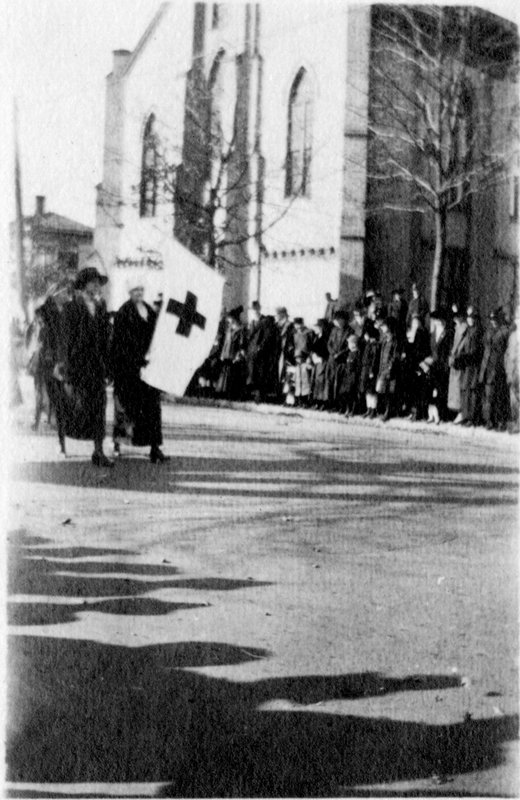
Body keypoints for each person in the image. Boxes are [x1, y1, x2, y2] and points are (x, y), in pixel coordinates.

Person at [55, 267, 113, 467]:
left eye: (98, 282)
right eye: (92, 282)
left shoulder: (101, 306)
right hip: (78, 366)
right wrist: (66, 367)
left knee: (99, 406)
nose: (96, 285)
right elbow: (65, 340)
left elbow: (106, 339)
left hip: (97, 367)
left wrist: (108, 366)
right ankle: (63, 444)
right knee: (74, 406)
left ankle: (98, 451)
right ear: (83, 285)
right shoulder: (71, 308)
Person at [111, 277, 169, 462]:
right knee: (125, 409)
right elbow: (118, 342)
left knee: (152, 408)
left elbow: (157, 335)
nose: (139, 293)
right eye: (135, 290)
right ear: (130, 292)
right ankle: (118, 443)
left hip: (148, 368)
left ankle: (155, 447)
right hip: (128, 369)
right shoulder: (124, 312)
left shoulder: (149, 311)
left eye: (141, 290)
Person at [479, 308, 510, 431]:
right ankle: (489, 420)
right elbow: (485, 351)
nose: (493, 322)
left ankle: (500, 421)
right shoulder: (489, 332)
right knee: (488, 396)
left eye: (495, 319)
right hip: (488, 367)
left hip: (499, 368)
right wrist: (483, 370)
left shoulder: (504, 332)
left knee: (499, 396)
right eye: (491, 320)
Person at [245, 301, 280, 403]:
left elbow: (267, 336)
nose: (255, 311)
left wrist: (261, 347)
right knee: (252, 374)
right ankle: (255, 395)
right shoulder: (252, 323)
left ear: (259, 309)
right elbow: (250, 338)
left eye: (256, 309)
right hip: (252, 353)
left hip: (261, 353)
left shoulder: (265, 321)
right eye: (253, 310)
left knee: (260, 374)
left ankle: (260, 396)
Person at [457, 306, 483, 427]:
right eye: (468, 317)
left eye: (472, 317)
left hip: (473, 365)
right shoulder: (468, 330)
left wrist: (465, 356)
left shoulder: (477, 331)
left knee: (472, 391)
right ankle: (465, 415)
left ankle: (472, 418)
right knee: (465, 390)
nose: (470, 319)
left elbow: (476, 351)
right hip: (467, 365)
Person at [215, 306, 248, 400]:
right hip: (227, 356)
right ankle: (223, 393)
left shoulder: (241, 331)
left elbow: (242, 345)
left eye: (231, 320)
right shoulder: (229, 330)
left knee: (234, 376)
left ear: (235, 320)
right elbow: (226, 343)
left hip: (235, 357)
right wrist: (222, 354)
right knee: (225, 375)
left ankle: (234, 395)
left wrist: (238, 356)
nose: (229, 322)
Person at [324, 308, 351, 410]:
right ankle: (330, 404)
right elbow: (329, 343)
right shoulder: (334, 330)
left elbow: (349, 346)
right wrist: (332, 353)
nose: (336, 322)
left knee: (339, 384)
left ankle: (339, 405)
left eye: (337, 320)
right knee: (330, 382)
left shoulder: (349, 330)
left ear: (343, 320)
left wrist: (339, 354)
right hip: (332, 360)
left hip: (341, 361)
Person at [376, 317, 399, 421]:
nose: (383, 328)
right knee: (382, 390)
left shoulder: (395, 341)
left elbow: (395, 356)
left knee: (389, 392)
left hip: (391, 370)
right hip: (383, 368)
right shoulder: (385, 339)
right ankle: (382, 410)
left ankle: (388, 411)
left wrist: (390, 367)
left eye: (384, 326)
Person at [447, 308, 468, 423]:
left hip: (459, 362)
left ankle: (461, 412)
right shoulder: (457, 328)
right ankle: (456, 412)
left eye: (457, 317)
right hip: (455, 361)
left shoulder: (463, 329)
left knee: (459, 387)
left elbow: (460, 345)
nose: (455, 319)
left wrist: (455, 355)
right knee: (455, 387)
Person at [359, 321, 380, 418]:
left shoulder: (374, 346)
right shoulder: (368, 345)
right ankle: (368, 409)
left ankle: (373, 410)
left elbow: (374, 359)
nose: (364, 336)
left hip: (370, 370)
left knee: (372, 391)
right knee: (367, 391)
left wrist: (372, 371)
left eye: (366, 334)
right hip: (365, 369)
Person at [292, 317, 315, 406]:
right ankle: (299, 399)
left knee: (306, 380)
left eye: (299, 326)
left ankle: (306, 400)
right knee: (298, 379)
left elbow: (313, 346)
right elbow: (294, 346)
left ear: (302, 324)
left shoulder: (309, 333)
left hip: (307, 359)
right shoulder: (295, 334)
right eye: (296, 327)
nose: (298, 329)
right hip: (298, 359)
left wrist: (310, 357)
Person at [309, 319, 331, 409]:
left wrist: (320, 357)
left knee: (321, 382)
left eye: (318, 327)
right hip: (316, 362)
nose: (316, 328)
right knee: (316, 381)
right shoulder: (317, 337)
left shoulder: (325, 338)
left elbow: (326, 351)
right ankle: (316, 401)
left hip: (322, 361)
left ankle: (322, 402)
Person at [275, 307, 295, 402]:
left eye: (277, 314)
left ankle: (283, 397)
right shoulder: (277, 325)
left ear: (282, 315)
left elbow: (291, 341)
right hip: (278, 352)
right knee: (279, 374)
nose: (276, 316)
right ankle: (279, 396)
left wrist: (289, 353)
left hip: (285, 353)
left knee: (285, 375)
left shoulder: (289, 325)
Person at [505, 306, 519, 433]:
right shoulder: (513, 336)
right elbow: (508, 355)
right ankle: (516, 423)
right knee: (513, 400)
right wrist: (508, 372)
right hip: (513, 373)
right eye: (518, 317)